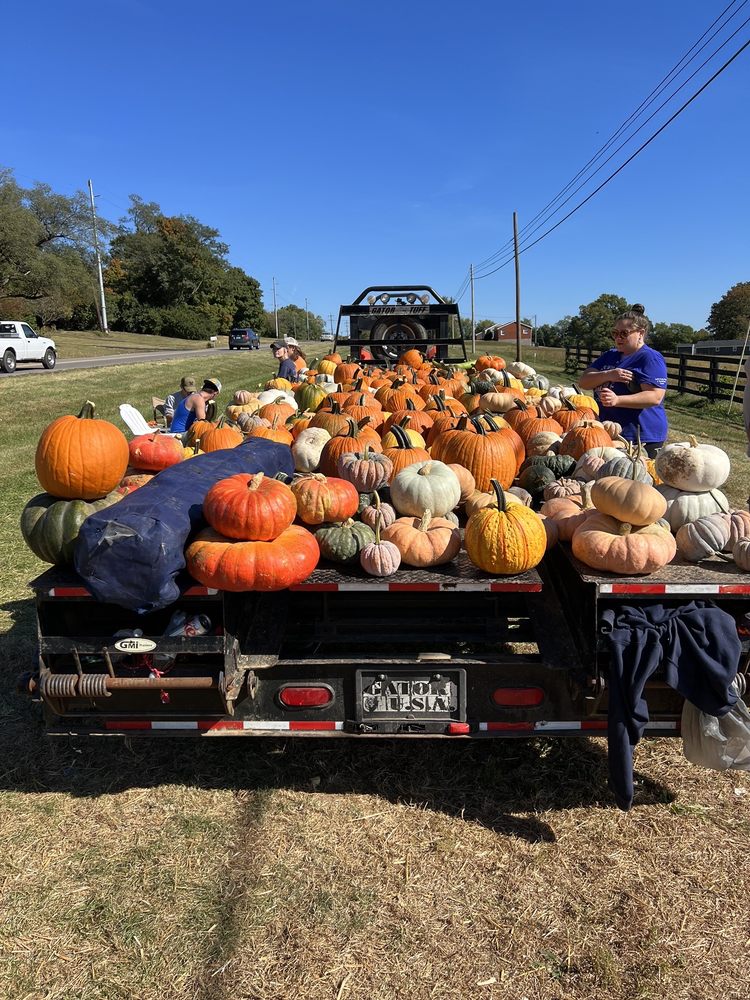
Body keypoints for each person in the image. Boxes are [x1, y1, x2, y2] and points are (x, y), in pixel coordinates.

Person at [577, 304, 668, 458]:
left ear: (640, 333)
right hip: (609, 430)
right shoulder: (610, 355)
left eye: (624, 333)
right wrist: (608, 374)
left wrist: (617, 400)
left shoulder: (649, 357)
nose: (618, 338)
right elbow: (584, 382)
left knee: (631, 478)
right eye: (615, 333)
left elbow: (654, 396)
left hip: (640, 435)